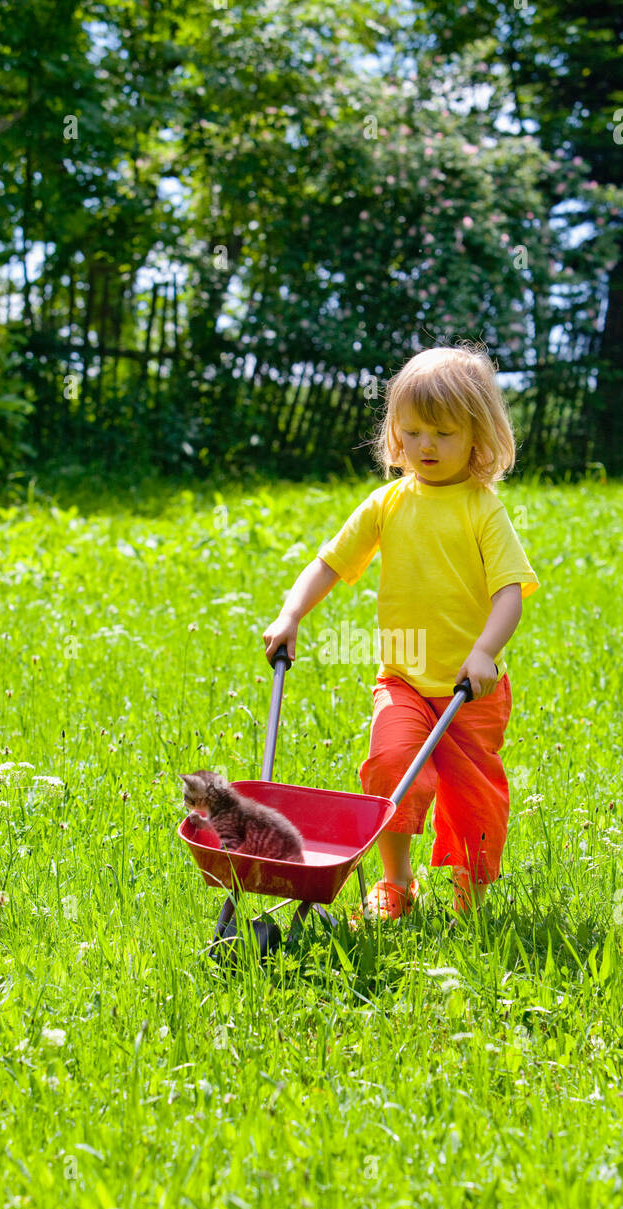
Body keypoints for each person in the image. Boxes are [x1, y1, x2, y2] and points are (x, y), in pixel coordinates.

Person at [262, 343, 539, 921]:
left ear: (478, 437)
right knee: (391, 769)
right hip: (404, 680)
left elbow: (509, 591)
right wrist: (291, 614)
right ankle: (397, 883)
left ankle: (471, 894)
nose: (425, 446)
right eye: (412, 432)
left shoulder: (482, 509)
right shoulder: (387, 502)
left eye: (442, 432)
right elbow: (330, 563)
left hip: (470, 690)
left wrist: (486, 651)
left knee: (473, 801)